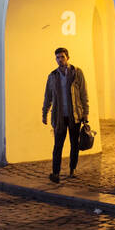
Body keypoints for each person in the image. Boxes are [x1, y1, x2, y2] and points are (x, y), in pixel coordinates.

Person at [41, 47, 90, 183]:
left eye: (62, 57)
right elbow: (48, 96)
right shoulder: (52, 76)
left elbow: (83, 94)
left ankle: (72, 169)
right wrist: (44, 113)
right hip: (59, 117)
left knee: (74, 144)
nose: (60, 60)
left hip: (75, 115)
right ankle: (55, 173)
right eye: (57, 57)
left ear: (68, 57)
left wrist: (86, 113)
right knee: (58, 145)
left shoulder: (77, 72)